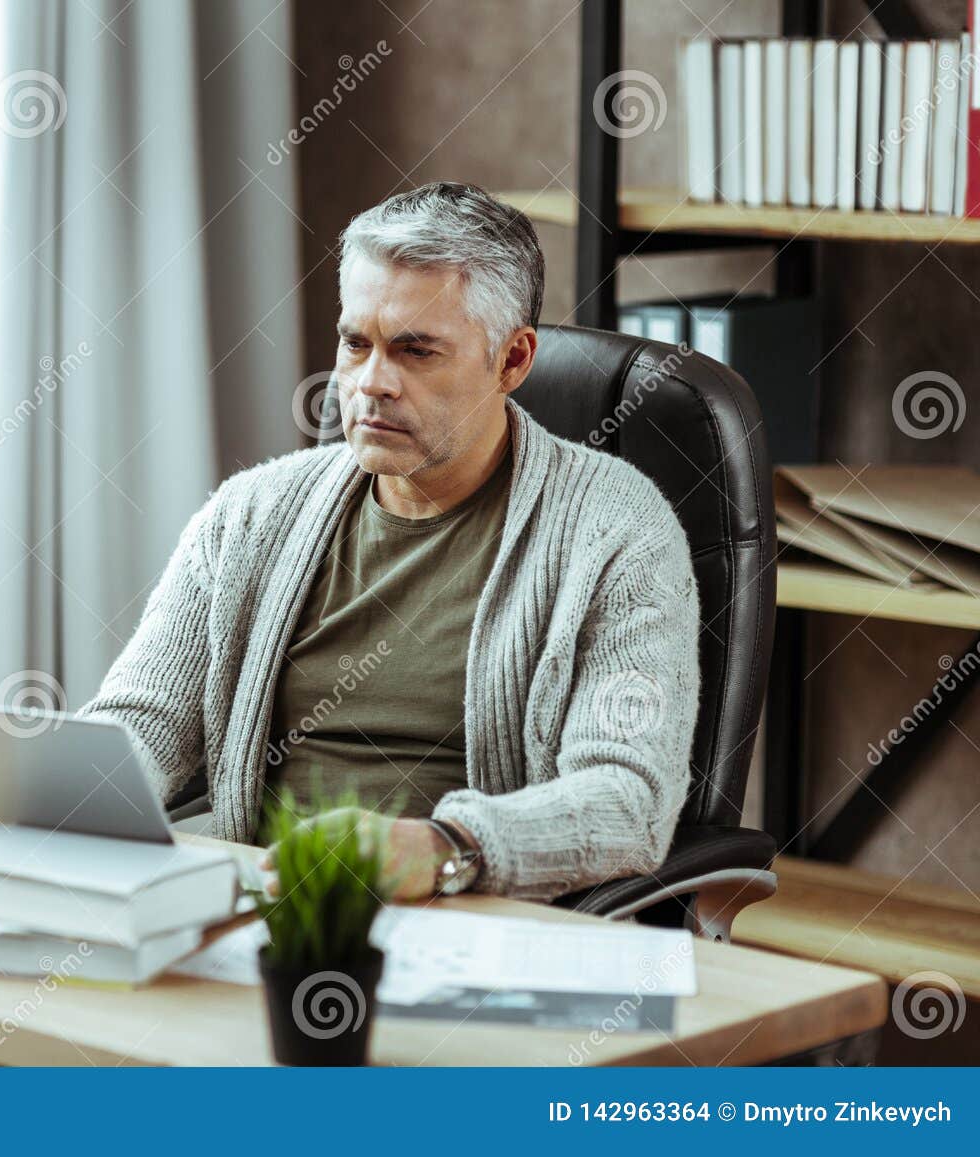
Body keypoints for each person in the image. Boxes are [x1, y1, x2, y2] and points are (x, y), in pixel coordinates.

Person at [80, 182, 699, 903]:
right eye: (355, 343)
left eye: (416, 350)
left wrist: (446, 849)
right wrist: (55, 816)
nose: (372, 384)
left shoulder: (617, 531)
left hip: (472, 918)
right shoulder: (250, 514)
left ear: (513, 360)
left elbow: (628, 799)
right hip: (263, 910)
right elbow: (142, 723)